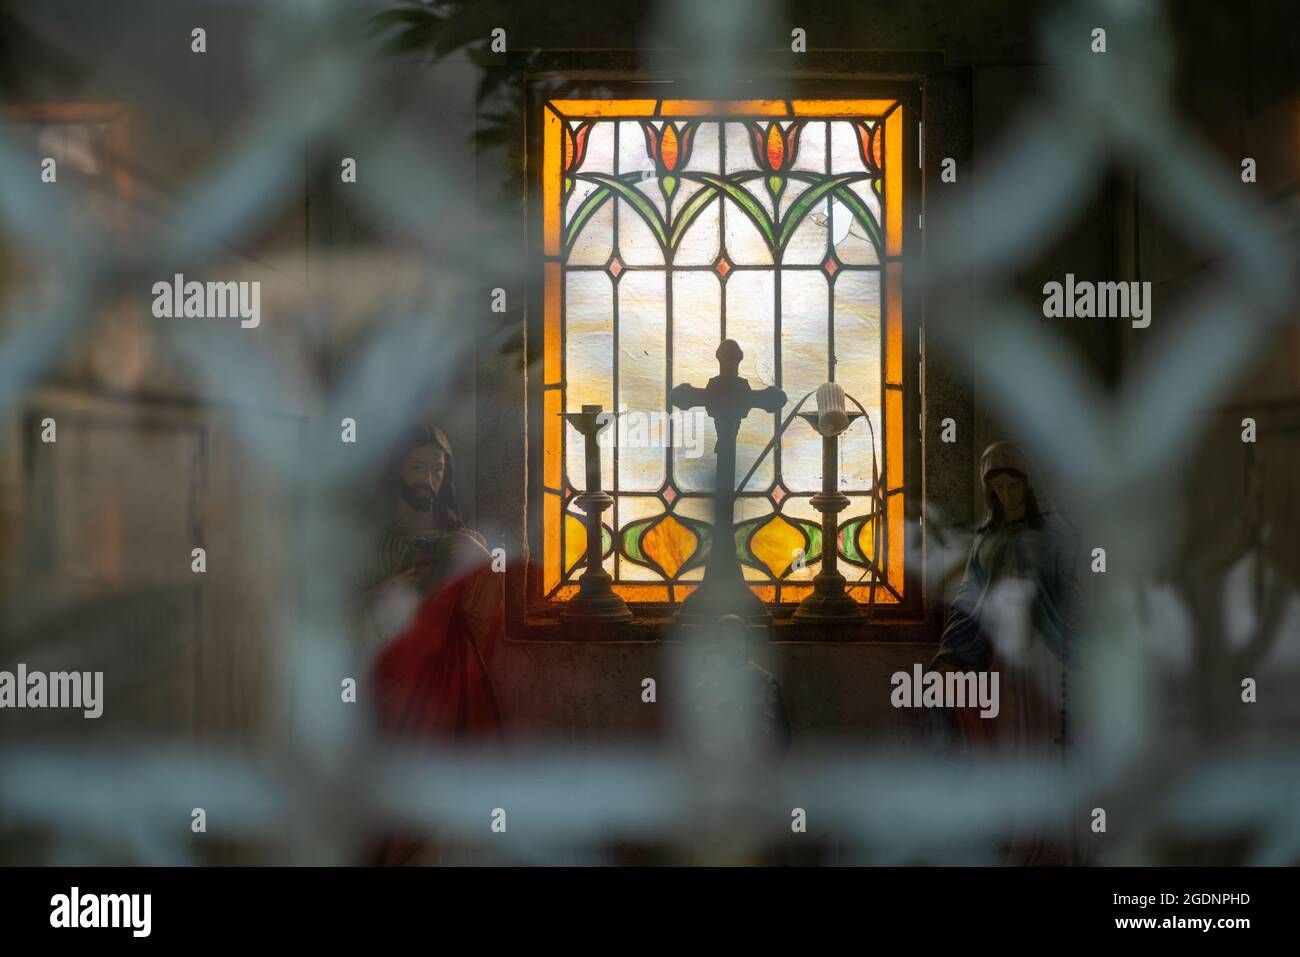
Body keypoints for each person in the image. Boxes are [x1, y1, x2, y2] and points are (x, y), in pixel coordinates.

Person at [932, 441, 1084, 865]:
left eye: (1012, 484)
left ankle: (1049, 847)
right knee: (1005, 752)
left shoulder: (1055, 536)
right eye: (996, 486)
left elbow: (1073, 597)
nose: (1005, 493)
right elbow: (968, 597)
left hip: (1044, 658)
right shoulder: (986, 541)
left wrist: (1083, 649)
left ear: (1028, 484)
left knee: (1042, 751)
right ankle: (1015, 842)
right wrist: (949, 650)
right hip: (999, 659)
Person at [359, 423, 504, 864]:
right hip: (392, 683)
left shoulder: (460, 541)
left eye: (438, 469)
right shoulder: (377, 542)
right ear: (398, 471)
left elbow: (486, 614)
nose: (428, 478)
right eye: (418, 466)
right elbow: (354, 614)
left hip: (450, 683)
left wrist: (470, 561)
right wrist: (405, 585)